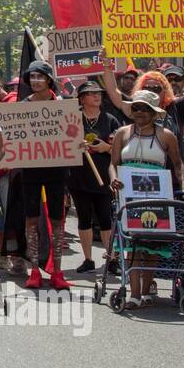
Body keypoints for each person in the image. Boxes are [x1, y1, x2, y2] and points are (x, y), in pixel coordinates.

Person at [109, 88, 184, 308]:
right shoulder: (123, 133)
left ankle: (145, 290)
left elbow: (178, 164)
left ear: (154, 113)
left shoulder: (165, 136)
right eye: (136, 108)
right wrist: (113, 179)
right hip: (129, 195)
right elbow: (113, 164)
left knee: (153, 244)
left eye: (144, 108)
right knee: (133, 243)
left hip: (157, 195)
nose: (139, 112)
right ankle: (133, 294)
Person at [11, 60, 71, 289]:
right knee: (31, 220)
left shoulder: (62, 104)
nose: (35, 81)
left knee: (57, 220)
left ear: (48, 80)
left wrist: (78, 144)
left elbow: (72, 133)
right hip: (31, 169)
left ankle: (57, 271)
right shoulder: (22, 106)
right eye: (32, 77)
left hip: (57, 170)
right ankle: (34, 270)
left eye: (40, 76)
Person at [68, 79, 117, 273]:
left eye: (99, 93)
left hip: (104, 178)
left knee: (105, 218)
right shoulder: (73, 118)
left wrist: (106, 147)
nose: (97, 96)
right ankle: (88, 259)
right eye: (91, 93)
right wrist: (75, 146)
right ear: (81, 98)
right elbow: (63, 144)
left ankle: (111, 258)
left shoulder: (110, 120)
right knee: (84, 218)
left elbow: (120, 148)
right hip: (78, 178)